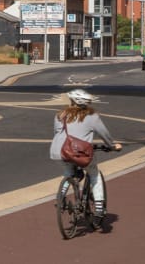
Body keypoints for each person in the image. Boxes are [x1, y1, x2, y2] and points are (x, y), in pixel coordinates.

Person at [51, 88, 121, 229]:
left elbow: (56, 133)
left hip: (60, 151)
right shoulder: (91, 116)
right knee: (94, 174)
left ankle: (61, 197)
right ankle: (99, 207)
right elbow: (104, 134)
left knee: (69, 173)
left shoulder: (60, 115)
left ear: (71, 101)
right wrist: (112, 145)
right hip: (80, 153)